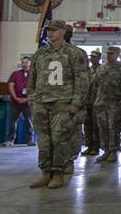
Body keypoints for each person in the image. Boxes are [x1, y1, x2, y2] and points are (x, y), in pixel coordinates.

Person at [27, 20, 89, 189]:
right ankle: (45, 172)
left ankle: (58, 173)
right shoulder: (40, 53)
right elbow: (32, 78)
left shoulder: (73, 53)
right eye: (48, 30)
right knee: (43, 141)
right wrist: (31, 99)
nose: (50, 33)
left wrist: (76, 103)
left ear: (63, 31)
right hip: (41, 103)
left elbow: (82, 80)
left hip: (62, 103)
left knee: (59, 139)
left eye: (54, 30)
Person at [92, 45, 121, 163]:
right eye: (108, 53)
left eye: (112, 53)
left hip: (116, 104)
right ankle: (106, 150)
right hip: (101, 103)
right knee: (103, 128)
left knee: (114, 128)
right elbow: (95, 86)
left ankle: (113, 151)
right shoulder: (101, 69)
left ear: (118, 54)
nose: (109, 55)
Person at [5, 56, 32, 145]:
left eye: (26, 62)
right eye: (23, 62)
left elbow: (37, 88)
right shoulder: (15, 73)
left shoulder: (33, 74)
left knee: (29, 121)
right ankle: (10, 140)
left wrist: (27, 99)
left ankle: (30, 140)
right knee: (12, 121)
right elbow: (11, 85)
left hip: (28, 101)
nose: (24, 64)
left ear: (30, 63)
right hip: (15, 101)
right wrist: (15, 97)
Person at [81, 49, 102, 157]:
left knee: (95, 126)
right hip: (86, 102)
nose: (91, 58)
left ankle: (95, 147)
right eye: (91, 56)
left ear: (99, 58)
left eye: (94, 57)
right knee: (87, 125)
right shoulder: (87, 70)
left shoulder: (102, 70)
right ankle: (88, 146)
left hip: (97, 102)